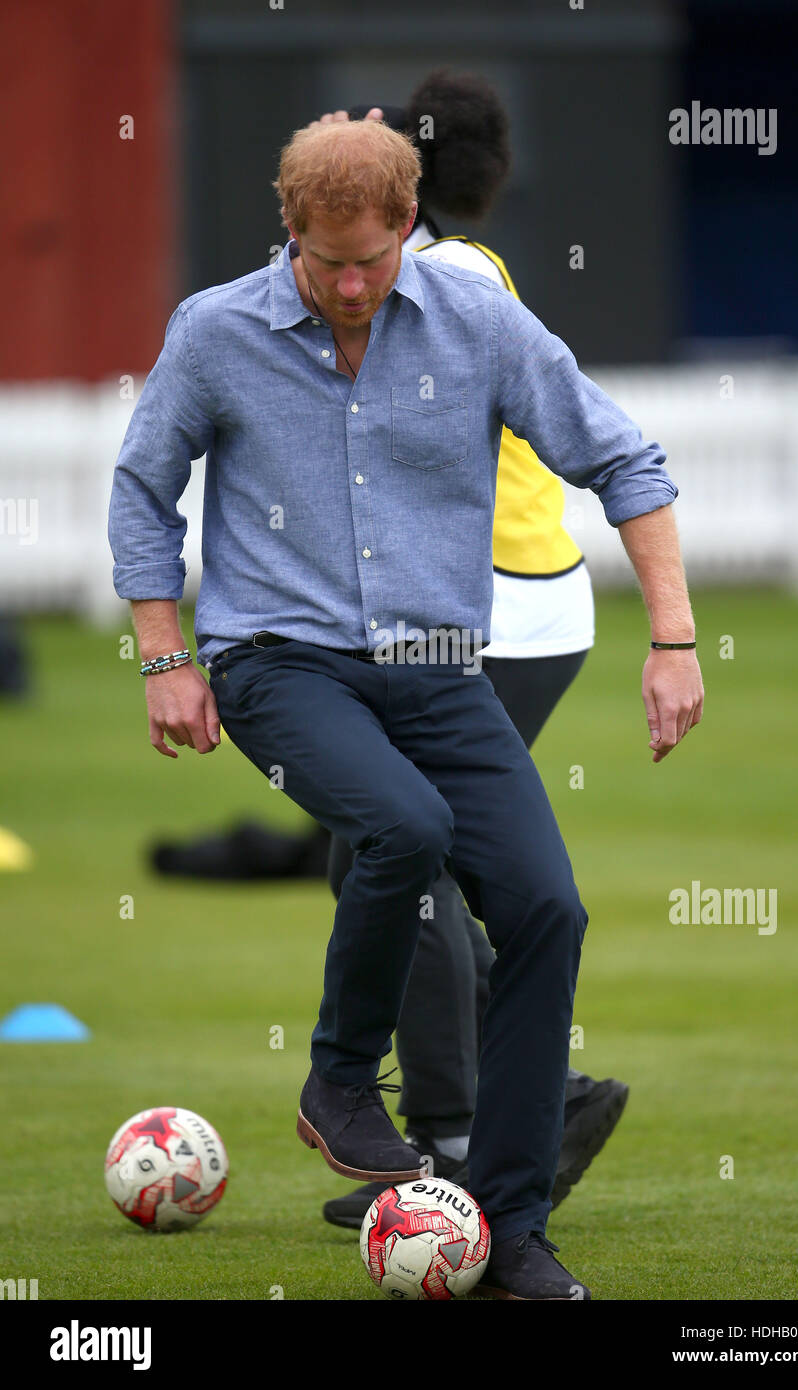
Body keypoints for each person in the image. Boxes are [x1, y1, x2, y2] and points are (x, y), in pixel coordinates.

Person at [108, 118, 703, 1299]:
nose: (347, 285)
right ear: (292, 229)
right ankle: (339, 1082)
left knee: (546, 908)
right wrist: (163, 652)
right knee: (403, 828)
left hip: (440, 669)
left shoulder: (474, 318)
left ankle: (509, 1221)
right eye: (325, 260)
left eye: (371, 261)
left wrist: (674, 638)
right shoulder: (217, 331)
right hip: (281, 662)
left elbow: (625, 462)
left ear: (405, 230)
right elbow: (142, 484)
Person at [318, 72, 628, 1233]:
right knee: (398, 857)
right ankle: (528, 1105)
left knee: (394, 859)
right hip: (524, 605)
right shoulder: (466, 267)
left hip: (486, 613)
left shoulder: (432, 282)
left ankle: (457, 1143)